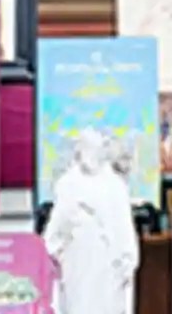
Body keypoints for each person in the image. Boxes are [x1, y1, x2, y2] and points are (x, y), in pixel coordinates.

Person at [43, 130, 139, 314]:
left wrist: (127, 257)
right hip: (77, 258)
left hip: (107, 260)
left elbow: (124, 225)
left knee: (107, 303)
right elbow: (57, 225)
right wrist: (55, 246)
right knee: (78, 303)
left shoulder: (114, 185)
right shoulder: (68, 183)